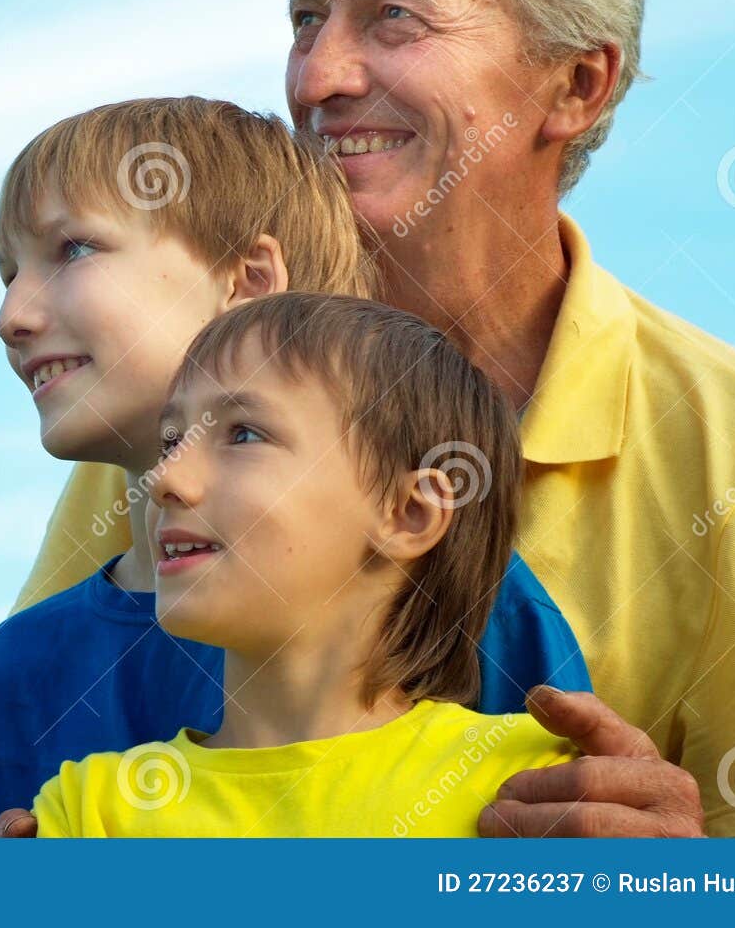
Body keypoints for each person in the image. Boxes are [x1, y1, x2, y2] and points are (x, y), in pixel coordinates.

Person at [6, 0, 735, 837]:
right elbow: (20, 723)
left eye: (394, 18)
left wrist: (683, 873)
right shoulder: (196, 394)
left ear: (573, 83)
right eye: (305, 19)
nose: (316, 76)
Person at [0, 97, 588, 831]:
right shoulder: (17, 673)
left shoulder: (482, 611)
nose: (10, 314)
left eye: (73, 249)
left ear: (246, 279)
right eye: (8, 272)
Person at [33, 292, 575, 836]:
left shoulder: (536, 792)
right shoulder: (88, 812)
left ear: (409, 513)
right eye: (172, 441)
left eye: (243, 434)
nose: (166, 479)